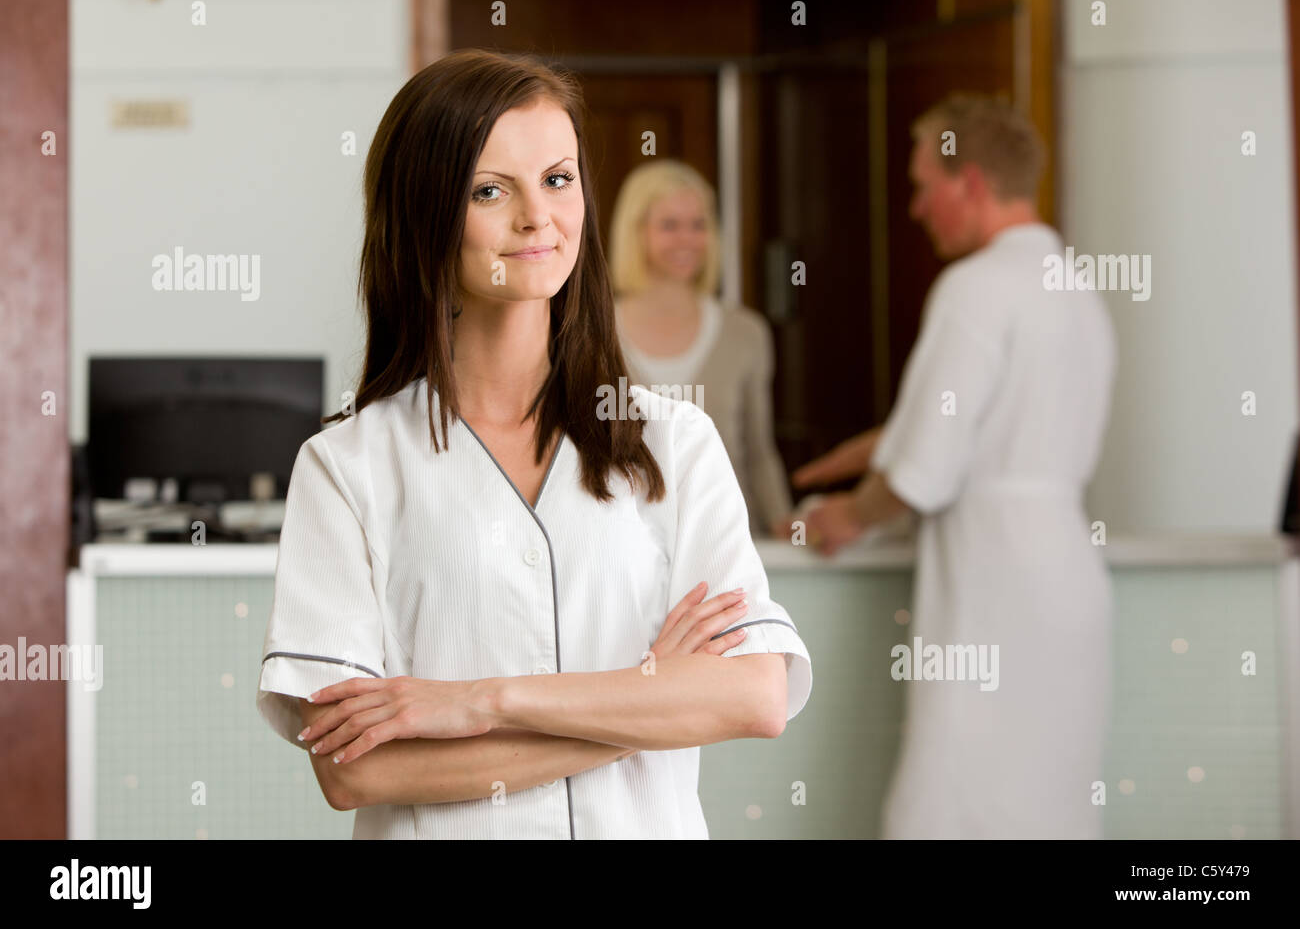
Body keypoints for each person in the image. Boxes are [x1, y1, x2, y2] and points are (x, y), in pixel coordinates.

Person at [254, 49, 813, 839]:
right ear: (427, 215)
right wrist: (644, 701)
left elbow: (755, 696)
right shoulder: (348, 468)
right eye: (490, 191)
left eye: (558, 179)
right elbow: (354, 770)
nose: (537, 219)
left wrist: (477, 701)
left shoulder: (675, 443)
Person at [796, 93, 1116, 838]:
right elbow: (962, 421)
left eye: (921, 185)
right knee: (1048, 809)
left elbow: (920, 474)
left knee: (948, 808)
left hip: (994, 584)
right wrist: (856, 457)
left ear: (968, 182)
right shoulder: (1076, 289)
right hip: (1068, 578)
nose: (914, 207)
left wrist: (839, 516)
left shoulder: (975, 288)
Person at [608, 159, 793, 539]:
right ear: (636, 231)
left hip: (729, 542)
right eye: (670, 225)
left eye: (698, 225)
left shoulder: (746, 333)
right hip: (624, 548)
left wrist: (786, 528)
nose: (687, 240)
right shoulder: (594, 332)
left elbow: (759, 453)